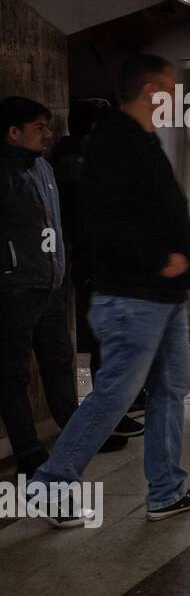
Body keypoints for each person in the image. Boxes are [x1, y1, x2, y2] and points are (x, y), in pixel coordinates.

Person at [27, 54, 190, 526]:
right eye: (171, 88)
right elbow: (103, 222)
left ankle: (165, 491)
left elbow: (163, 209)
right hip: (135, 296)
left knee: (171, 387)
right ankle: (50, 485)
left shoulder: (140, 138)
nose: (176, 97)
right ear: (151, 90)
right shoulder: (115, 142)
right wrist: (162, 258)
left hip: (162, 297)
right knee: (115, 393)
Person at [49, 98, 142, 450]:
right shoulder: (74, 161)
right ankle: (108, 415)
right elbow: (83, 221)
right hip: (93, 267)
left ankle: (118, 407)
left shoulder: (86, 157)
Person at [0, 97, 80, 476]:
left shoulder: (44, 168)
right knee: (14, 374)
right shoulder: (5, 172)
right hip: (15, 289)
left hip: (50, 284)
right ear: (12, 133)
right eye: (38, 128)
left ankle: (75, 432)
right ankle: (29, 453)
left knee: (59, 363)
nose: (48, 134)